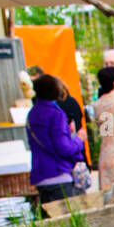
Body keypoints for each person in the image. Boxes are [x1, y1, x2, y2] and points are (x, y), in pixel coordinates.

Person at [25, 73, 86, 212]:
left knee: (49, 226)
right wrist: (79, 139)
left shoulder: (32, 113)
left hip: (40, 176)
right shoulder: (55, 114)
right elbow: (64, 148)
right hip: (59, 175)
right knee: (66, 225)